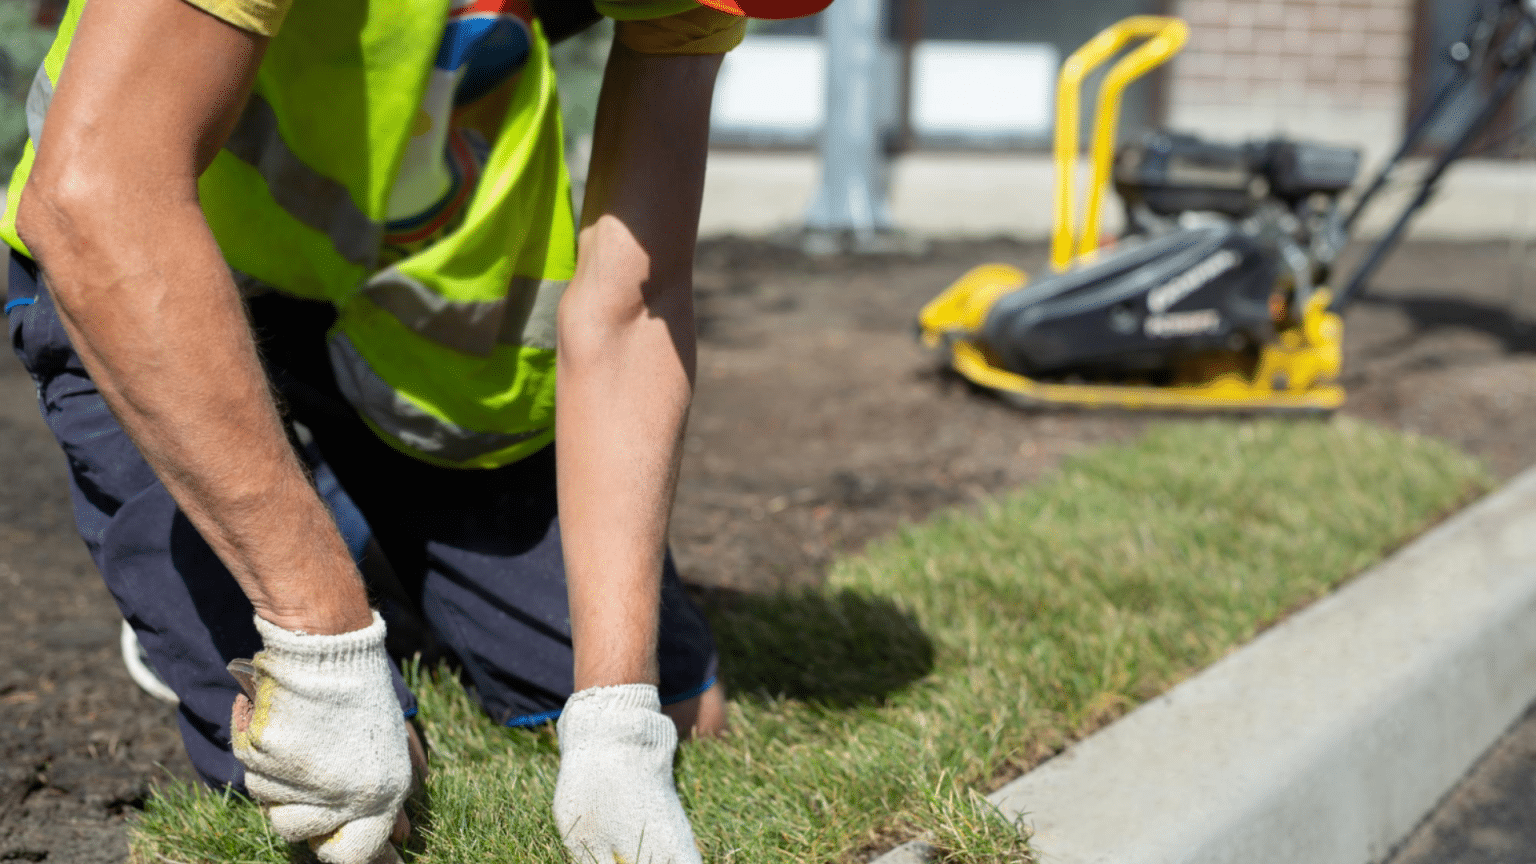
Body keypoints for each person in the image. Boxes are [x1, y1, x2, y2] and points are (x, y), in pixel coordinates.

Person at [0, 0, 829, 861]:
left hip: (411, 304)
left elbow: (637, 301)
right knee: (352, 807)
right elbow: (96, 198)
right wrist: (318, 637)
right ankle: (262, 535)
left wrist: (619, 722)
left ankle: (348, 533)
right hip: (159, 283)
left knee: (687, 713)